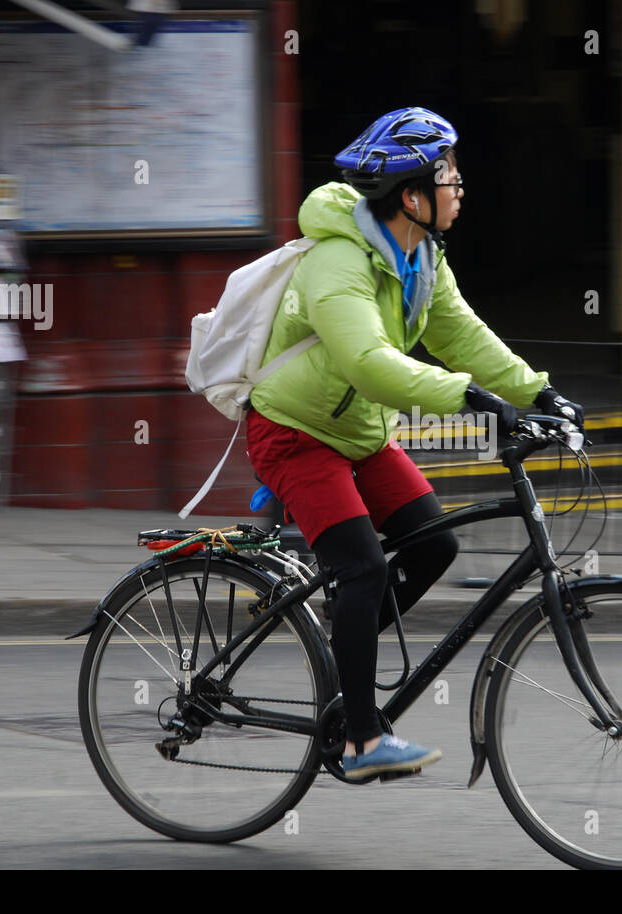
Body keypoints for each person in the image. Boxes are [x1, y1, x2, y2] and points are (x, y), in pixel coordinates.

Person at [245, 107, 584, 781]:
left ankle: (344, 663)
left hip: (360, 433)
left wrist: (539, 394)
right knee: (365, 568)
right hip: (294, 433)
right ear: (411, 195)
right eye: (449, 174)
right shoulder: (337, 261)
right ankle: (362, 741)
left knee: (434, 544)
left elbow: (462, 336)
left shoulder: (422, 256)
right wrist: (468, 399)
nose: (461, 186)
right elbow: (368, 360)